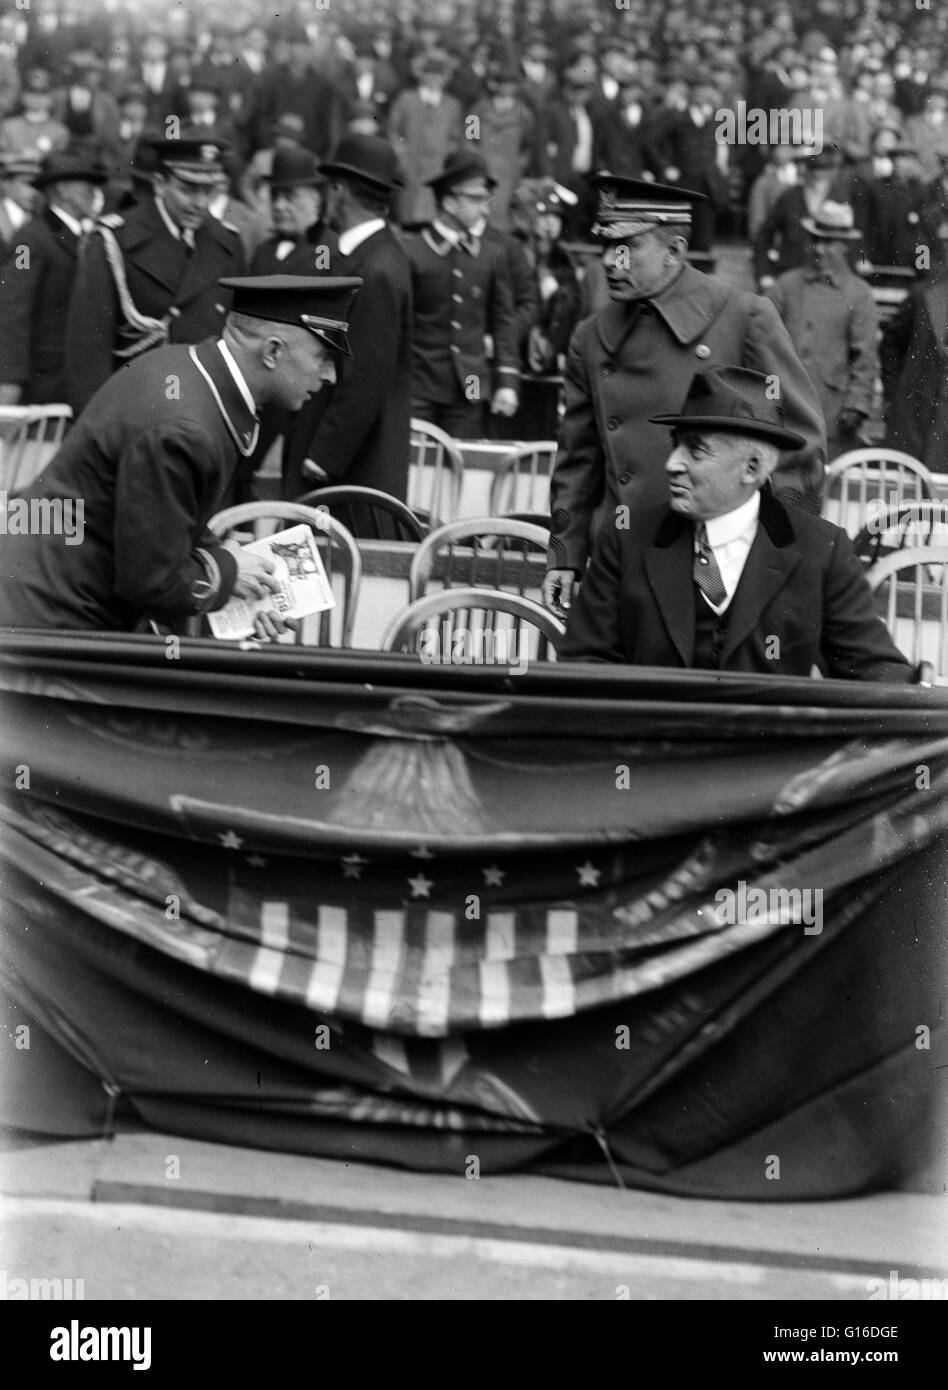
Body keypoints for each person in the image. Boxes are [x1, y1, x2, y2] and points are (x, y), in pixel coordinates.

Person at [0, 275, 361, 636]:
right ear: (272, 352)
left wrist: (237, 586)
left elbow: (163, 528)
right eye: (323, 357)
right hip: (48, 626)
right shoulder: (186, 428)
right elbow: (151, 582)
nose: (329, 375)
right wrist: (228, 573)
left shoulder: (182, 370)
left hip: (50, 600)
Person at [543, 176, 826, 612]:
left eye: (626, 248)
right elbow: (578, 459)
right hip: (622, 562)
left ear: (674, 250)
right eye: (605, 247)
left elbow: (801, 442)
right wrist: (565, 554)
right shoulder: (591, 337)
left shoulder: (744, 316)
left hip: (721, 565)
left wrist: (785, 550)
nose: (609, 262)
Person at [558, 367, 911, 682]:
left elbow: (873, 670)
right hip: (653, 750)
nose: (672, 464)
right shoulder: (628, 536)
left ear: (753, 469)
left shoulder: (820, 549)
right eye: (675, 445)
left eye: (695, 451)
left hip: (767, 753)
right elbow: (584, 662)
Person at [64, 133, 246, 415]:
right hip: (134, 410)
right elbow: (88, 352)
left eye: (208, 191)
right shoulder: (115, 242)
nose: (199, 202)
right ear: (160, 185)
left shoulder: (228, 243)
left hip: (203, 412)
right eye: (188, 189)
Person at [282, 134, 412, 508]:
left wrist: (324, 455)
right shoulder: (365, 256)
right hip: (340, 456)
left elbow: (366, 376)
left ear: (339, 190)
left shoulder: (379, 267)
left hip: (350, 467)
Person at [400, 151, 521, 439]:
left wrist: (507, 382)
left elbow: (504, 322)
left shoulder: (491, 255)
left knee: (463, 469)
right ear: (450, 201)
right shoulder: (412, 252)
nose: (485, 210)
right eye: (476, 199)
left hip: (471, 389)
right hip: (419, 390)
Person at [766, 201, 878, 460]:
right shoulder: (787, 284)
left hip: (831, 410)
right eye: (814, 240)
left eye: (828, 242)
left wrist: (856, 405)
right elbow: (761, 337)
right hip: (783, 407)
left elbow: (866, 359)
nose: (819, 249)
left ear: (845, 246)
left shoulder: (859, 294)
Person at [0, 147, 109, 405]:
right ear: (61, 190)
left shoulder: (92, 236)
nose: (94, 193)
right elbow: (12, 311)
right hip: (45, 381)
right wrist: (9, 379)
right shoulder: (32, 238)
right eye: (86, 185)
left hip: (80, 379)